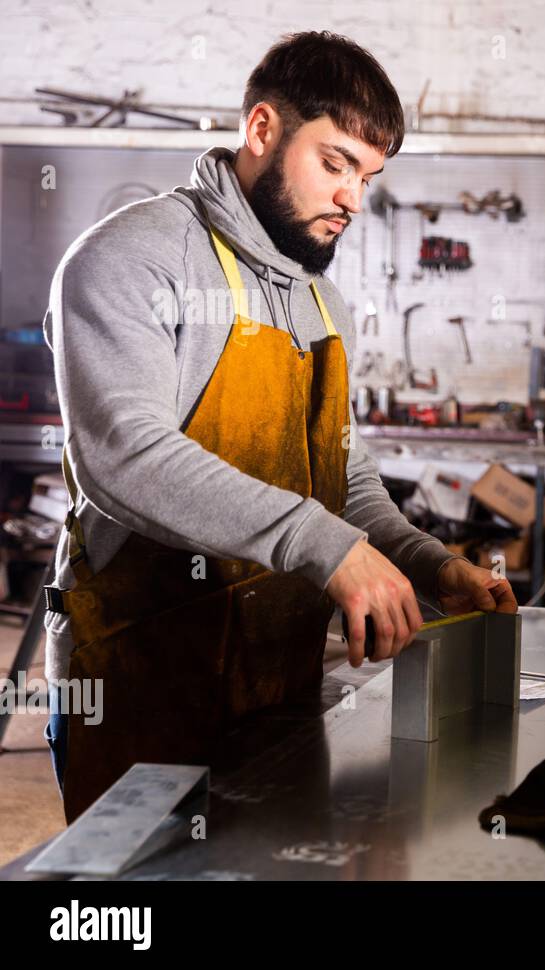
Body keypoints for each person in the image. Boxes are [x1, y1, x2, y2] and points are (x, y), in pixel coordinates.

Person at [41, 31, 516, 821]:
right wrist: (323, 545)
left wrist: (430, 567)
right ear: (262, 130)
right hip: (141, 681)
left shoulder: (320, 302)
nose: (352, 200)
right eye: (334, 164)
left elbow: (343, 473)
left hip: (278, 684)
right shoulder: (132, 258)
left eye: (368, 176)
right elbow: (123, 454)